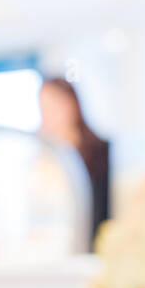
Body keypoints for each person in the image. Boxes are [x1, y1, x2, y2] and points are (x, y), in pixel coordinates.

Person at [38, 77, 110, 251]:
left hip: (94, 247)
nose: (48, 115)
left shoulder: (101, 152)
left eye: (54, 106)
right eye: (43, 108)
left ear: (72, 105)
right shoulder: (45, 157)